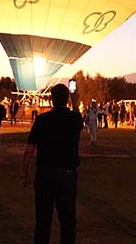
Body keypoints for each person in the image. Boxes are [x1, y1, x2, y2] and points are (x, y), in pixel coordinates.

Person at [22, 83, 84, 244]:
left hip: (45, 174)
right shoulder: (75, 119)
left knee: (43, 220)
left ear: (51, 99)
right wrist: (75, 101)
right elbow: (78, 120)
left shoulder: (42, 120)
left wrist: (25, 172)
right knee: (68, 220)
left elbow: (29, 150)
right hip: (67, 175)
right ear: (67, 98)